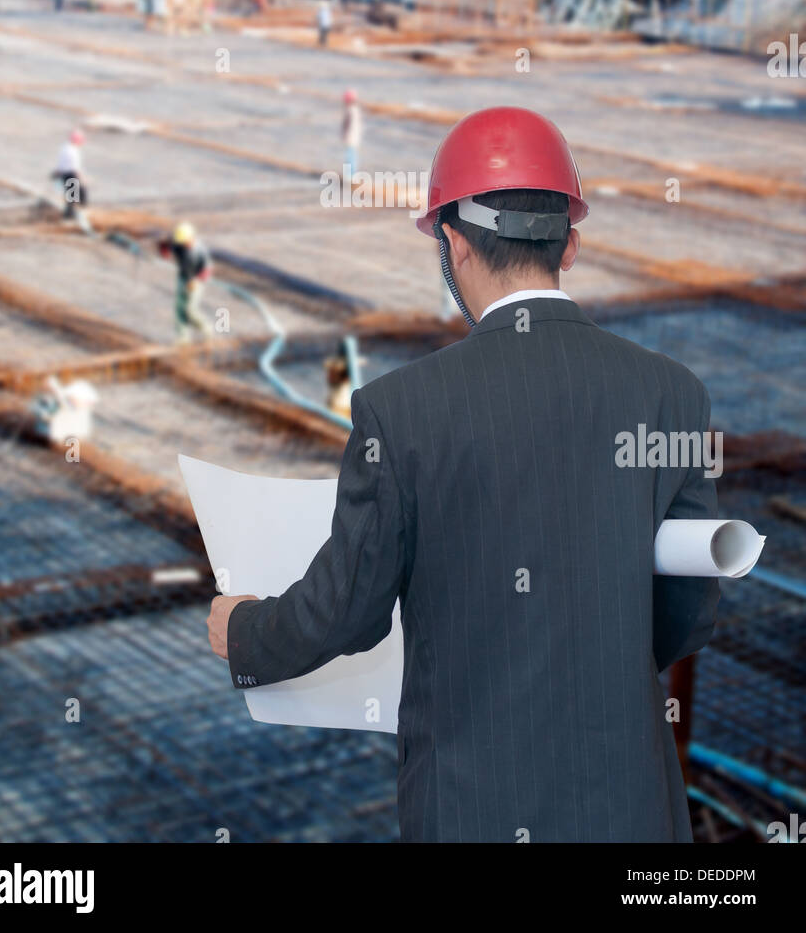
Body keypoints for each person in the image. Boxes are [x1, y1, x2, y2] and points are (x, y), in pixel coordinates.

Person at [208, 106, 720, 844]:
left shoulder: (402, 409)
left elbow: (346, 611)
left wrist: (249, 633)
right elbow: (689, 612)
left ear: (452, 243)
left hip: (474, 810)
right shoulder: (671, 394)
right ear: (569, 243)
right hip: (630, 812)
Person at [158, 222, 212, 342]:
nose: (183, 244)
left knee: (190, 310)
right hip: (182, 278)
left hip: (196, 281)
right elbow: (165, 254)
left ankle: (206, 328)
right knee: (179, 309)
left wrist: (196, 281)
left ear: (191, 237)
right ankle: (183, 337)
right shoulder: (179, 246)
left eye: (184, 241)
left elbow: (207, 270)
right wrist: (163, 243)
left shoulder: (200, 250)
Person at [52, 129, 91, 232]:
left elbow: (60, 164)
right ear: (77, 140)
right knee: (77, 197)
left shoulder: (64, 147)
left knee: (72, 198)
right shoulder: (73, 150)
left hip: (64, 174)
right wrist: (82, 179)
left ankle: (72, 217)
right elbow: (75, 168)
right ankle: (71, 219)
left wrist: (57, 174)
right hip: (71, 175)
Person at [341, 88, 361, 177]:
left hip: (351, 137)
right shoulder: (353, 110)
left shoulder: (351, 110)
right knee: (351, 156)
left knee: (350, 157)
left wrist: (347, 135)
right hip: (353, 137)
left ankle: (350, 175)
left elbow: (350, 125)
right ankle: (351, 175)